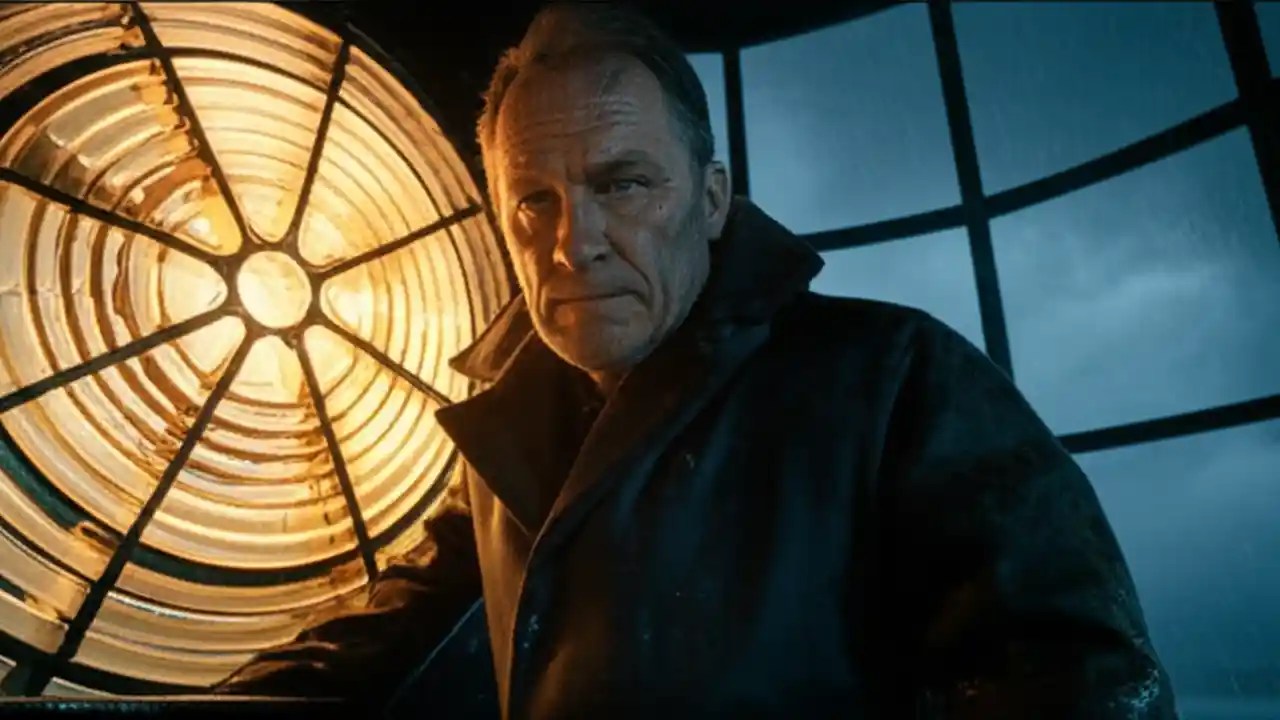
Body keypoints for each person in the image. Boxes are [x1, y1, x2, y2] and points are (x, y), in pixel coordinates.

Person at [214, 3, 1177, 717]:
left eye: (622, 184)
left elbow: (1080, 682)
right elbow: (374, 640)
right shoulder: (505, 441)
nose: (571, 243)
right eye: (533, 202)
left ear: (712, 201)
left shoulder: (891, 378)